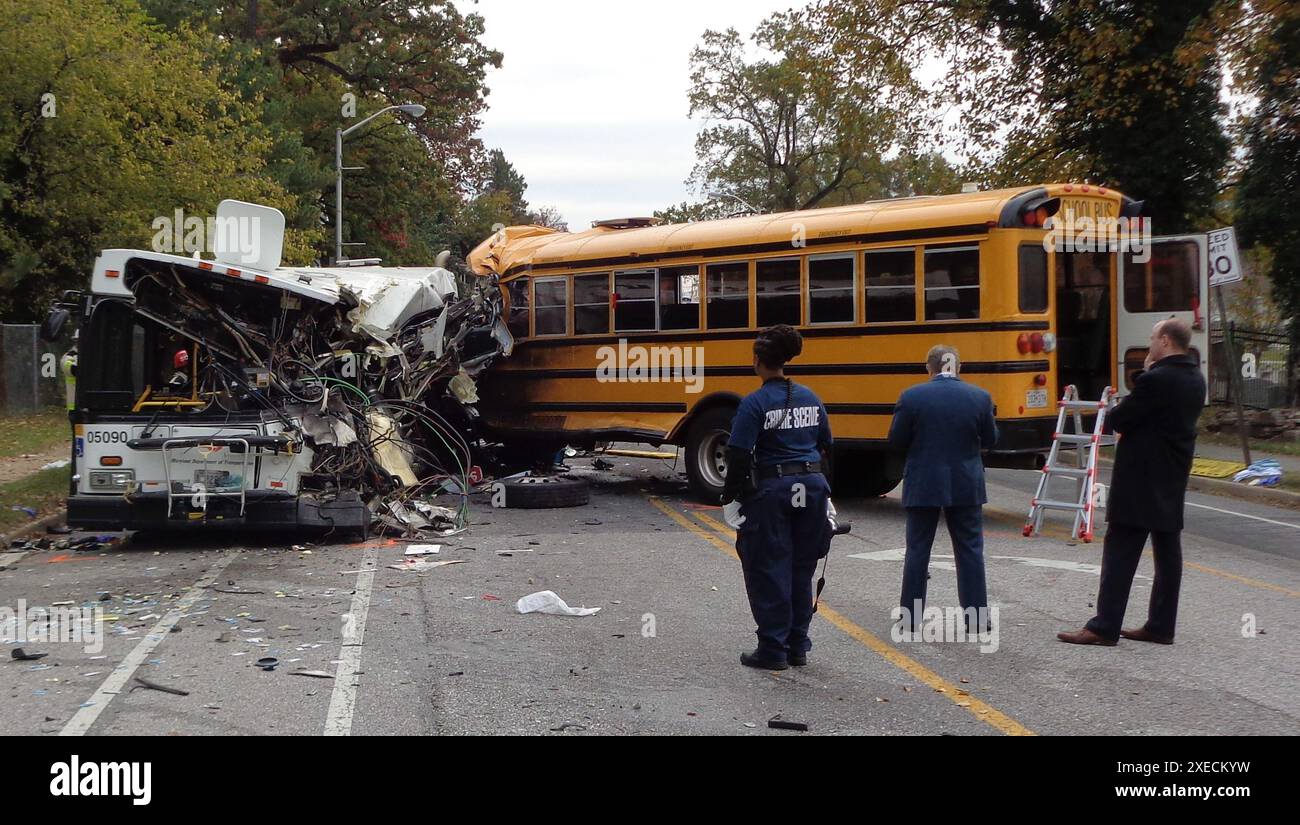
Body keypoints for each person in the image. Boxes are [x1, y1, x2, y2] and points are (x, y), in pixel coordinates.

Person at [1058, 318, 1205, 646]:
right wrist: (1148, 374)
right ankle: (1161, 625)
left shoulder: (1158, 379)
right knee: (1168, 553)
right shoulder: (1196, 378)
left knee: (1120, 550)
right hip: (1172, 473)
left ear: (1166, 342)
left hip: (1141, 477)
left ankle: (1104, 625)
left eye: (1153, 337)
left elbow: (1119, 418)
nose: (1149, 343)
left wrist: (1146, 373)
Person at [721, 324, 834, 670]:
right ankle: (797, 644)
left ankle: (772, 649)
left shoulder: (754, 403)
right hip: (812, 488)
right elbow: (825, 443)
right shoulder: (810, 397)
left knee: (768, 568)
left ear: (757, 361)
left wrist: (734, 495)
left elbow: (738, 452)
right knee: (802, 568)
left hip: (773, 492)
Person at [888, 344, 998, 634]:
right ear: (958, 367)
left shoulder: (911, 397)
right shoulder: (980, 397)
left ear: (930, 367)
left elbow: (896, 439)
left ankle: (911, 617)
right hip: (965, 482)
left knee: (917, 549)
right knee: (970, 549)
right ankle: (976, 618)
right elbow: (991, 437)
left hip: (924, 481)